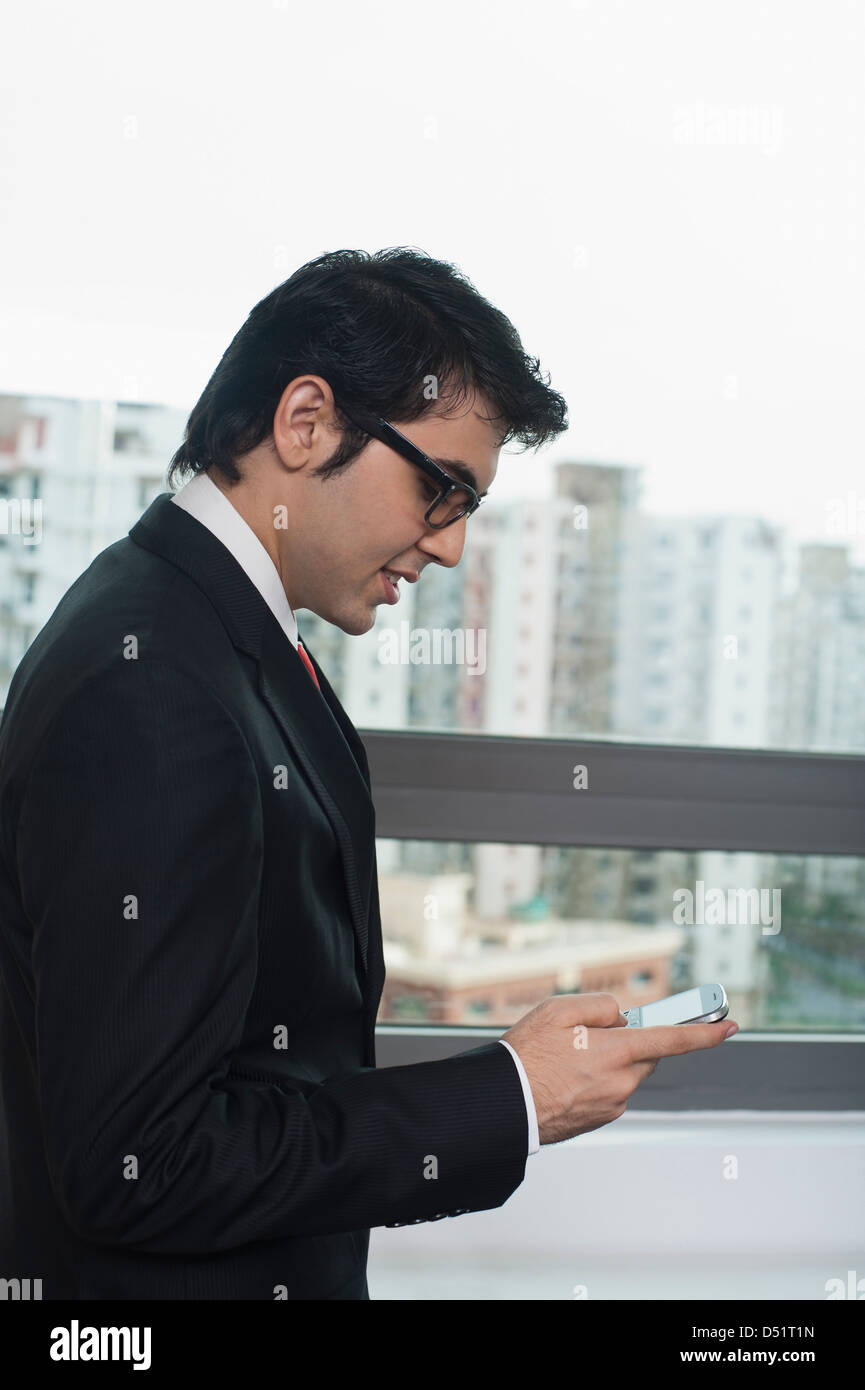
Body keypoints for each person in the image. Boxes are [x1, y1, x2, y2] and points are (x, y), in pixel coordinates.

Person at [0, 247, 737, 1300]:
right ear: (305, 421)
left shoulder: (213, 632)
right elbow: (142, 1166)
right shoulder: (156, 686)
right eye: (441, 490)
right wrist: (510, 1095)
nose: (448, 549)